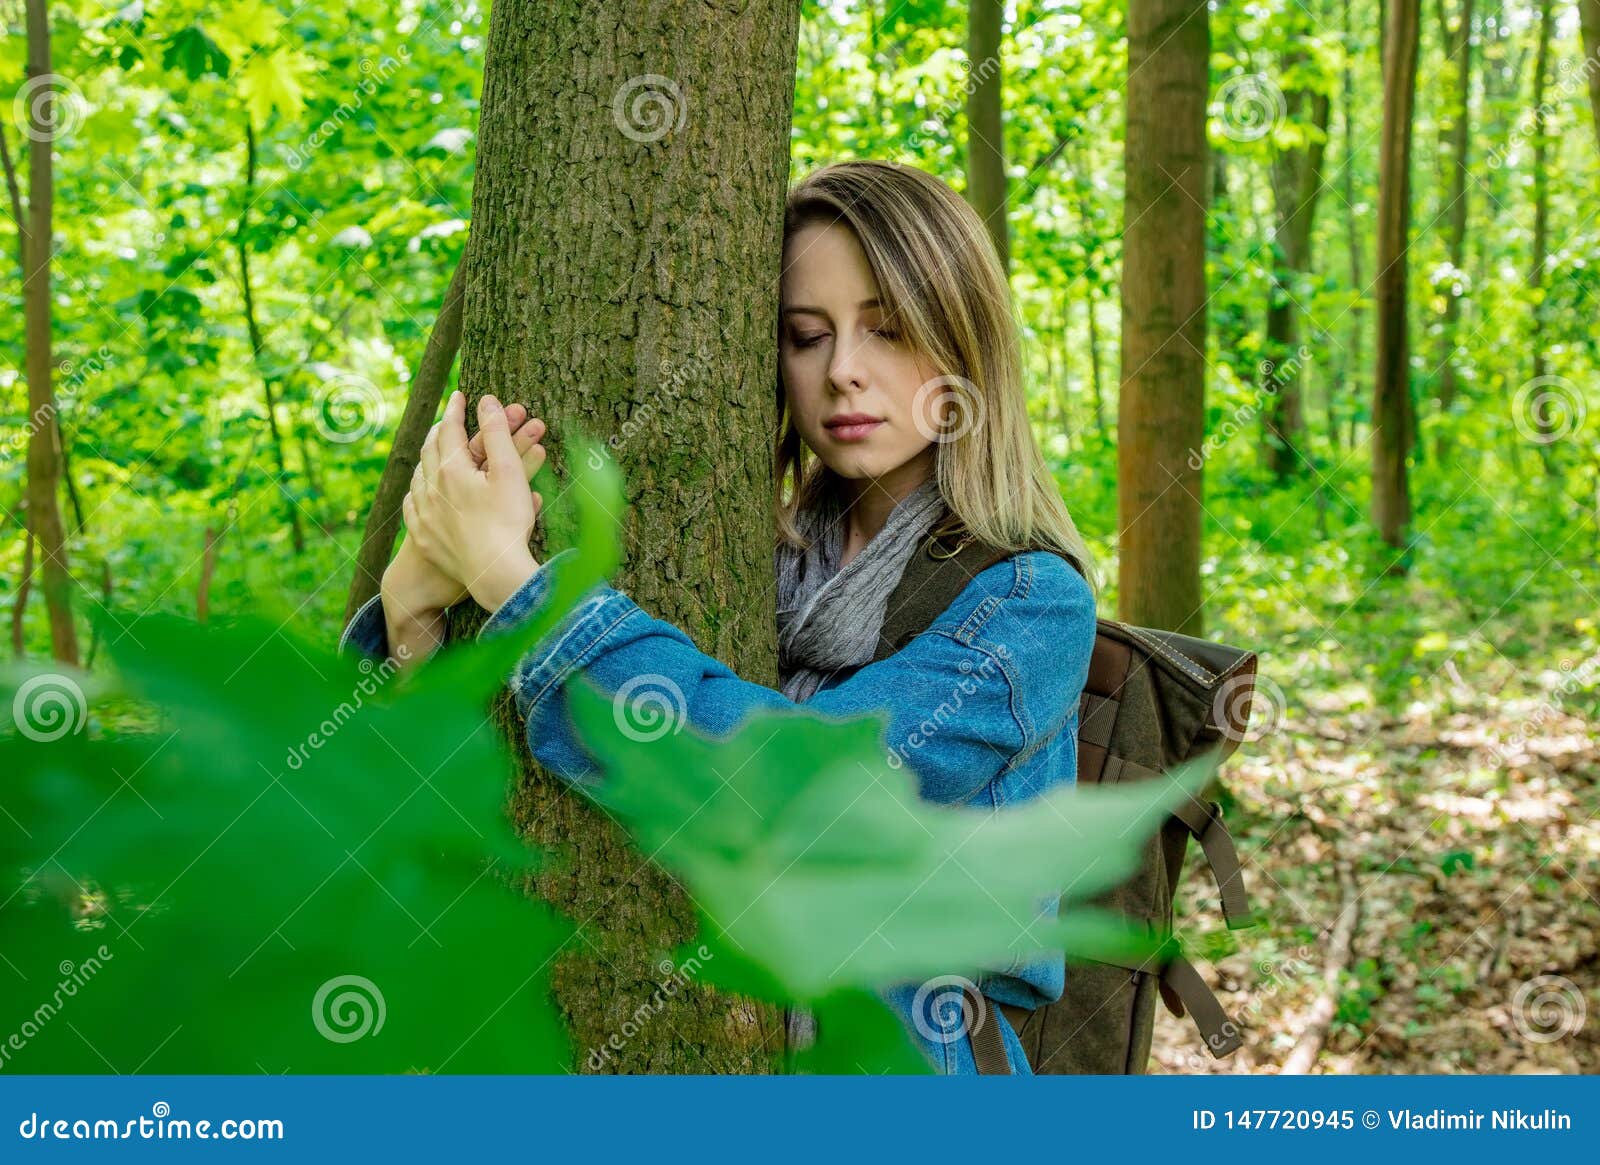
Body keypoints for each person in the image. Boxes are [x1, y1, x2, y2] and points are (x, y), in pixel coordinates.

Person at [341, 160, 1099, 1074]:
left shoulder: (1029, 604)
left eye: (889, 331)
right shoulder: (748, 550)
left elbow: (796, 788)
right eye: (806, 335)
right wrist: (412, 609)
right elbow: (445, 808)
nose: (845, 373)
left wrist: (515, 582)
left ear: (964, 343)